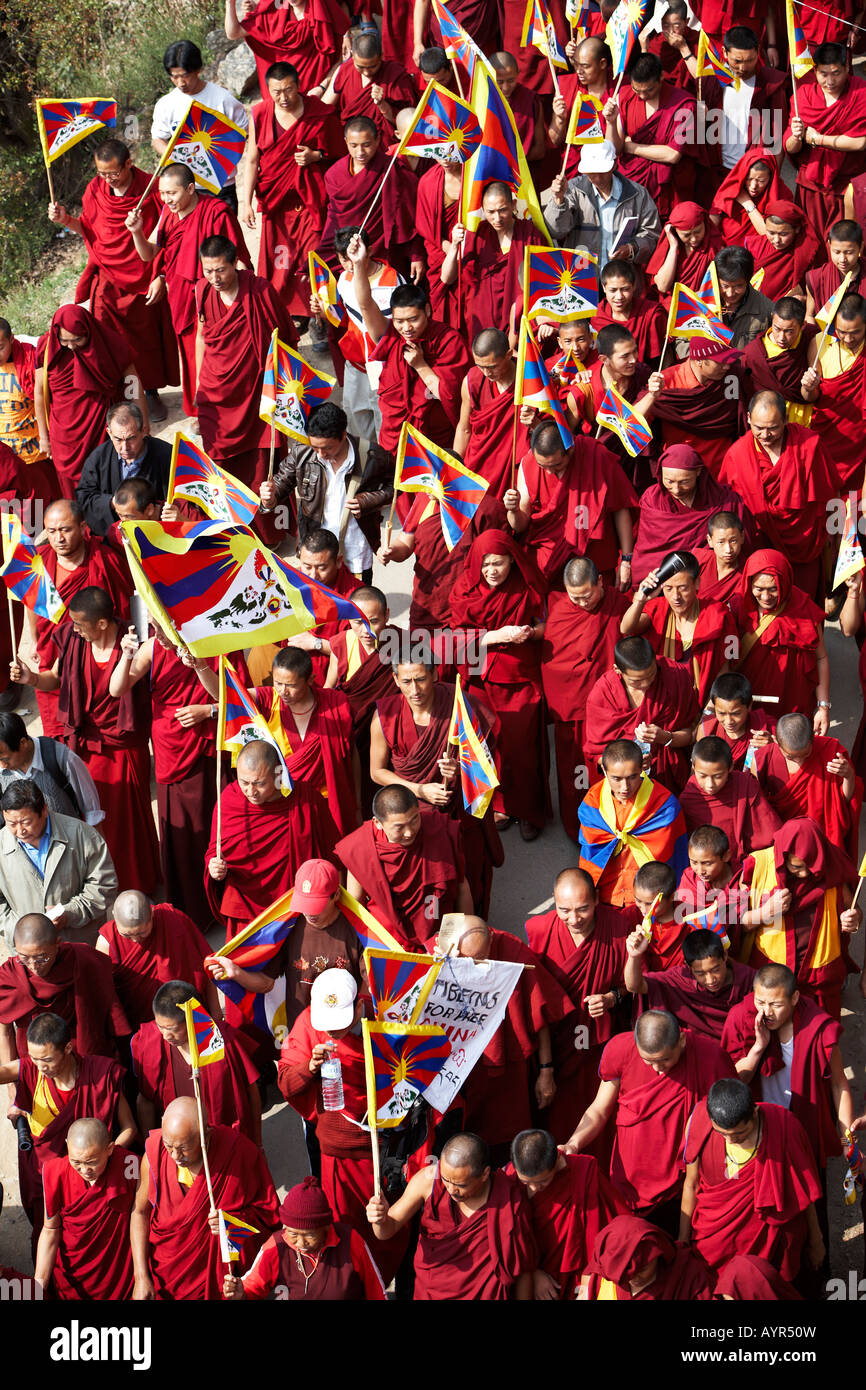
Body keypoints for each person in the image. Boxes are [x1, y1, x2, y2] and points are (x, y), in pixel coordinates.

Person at [13, 586, 160, 897]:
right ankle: (98, 883)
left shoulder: (131, 643)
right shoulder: (71, 640)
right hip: (86, 748)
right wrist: (32, 679)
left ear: (102, 624)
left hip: (122, 750)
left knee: (127, 823)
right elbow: (56, 678)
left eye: (80, 624)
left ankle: (136, 886)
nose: (74, 629)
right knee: (89, 820)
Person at [278, 967, 409, 1283]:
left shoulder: (385, 1017)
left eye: (341, 1024)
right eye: (329, 1026)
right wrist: (309, 1066)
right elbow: (286, 1082)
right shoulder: (309, 1024)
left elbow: (413, 1071)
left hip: (386, 1147)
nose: (334, 1033)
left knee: (392, 1223)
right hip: (337, 1151)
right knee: (347, 1228)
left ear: (359, 1006)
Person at [563, 1010, 735, 1232]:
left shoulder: (709, 1057)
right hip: (630, 1179)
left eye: (664, 1059)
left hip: (681, 1183)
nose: (657, 1068)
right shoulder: (621, 1049)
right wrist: (574, 1142)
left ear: (681, 1040)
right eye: (648, 1061)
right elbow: (599, 1110)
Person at [47, 138, 177, 422]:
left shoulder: (151, 189)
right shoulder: (96, 190)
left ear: (128, 164)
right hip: (106, 274)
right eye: (101, 173)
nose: (107, 179)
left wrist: (160, 275)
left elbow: (165, 237)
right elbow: (89, 229)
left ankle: (150, 392)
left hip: (142, 275)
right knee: (106, 335)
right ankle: (120, 394)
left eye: (113, 173)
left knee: (145, 337)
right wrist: (65, 220)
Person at [109, 623, 224, 926]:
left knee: (210, 822)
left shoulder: (211, 641)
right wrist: (126, 656)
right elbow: (116, 688)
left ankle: (218, 901)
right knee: (178, 830)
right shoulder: (151, 649)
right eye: (155, 629)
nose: (157, 636)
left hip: (203, 744)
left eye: (163, 630)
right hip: (169, 746)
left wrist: (205, 708)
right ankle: (189, 908)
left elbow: (225, 695)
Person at [370, 658, 503, 915]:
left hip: (457, 805)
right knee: (428, 883)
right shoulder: (385, 716)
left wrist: (460, 768)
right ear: (396, 680)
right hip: (412, 808)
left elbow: (483, 758)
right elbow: (377, 772)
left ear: (434, 675)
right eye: (406, 682)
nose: (414, 690)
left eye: (420, 679)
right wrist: (418, 790)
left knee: (466, 872)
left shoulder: (457, 704)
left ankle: (471, 930)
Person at [438, 914, 569, 1161]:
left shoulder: (511, 951)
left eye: (480, 959)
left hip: (508, 1070)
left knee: (508, 1145)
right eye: (467, 960)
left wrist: (546, 1070)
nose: (474, 966)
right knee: (460, 1146)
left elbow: (538, 1012)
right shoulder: (440, 950)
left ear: (490, 941)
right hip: (461, 1069)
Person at [125, 163, 249, 415]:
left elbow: (237, 260)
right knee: (192, 357)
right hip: (182, 296)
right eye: (162, 193)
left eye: (172, 193)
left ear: (190, 188)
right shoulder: (168, 215)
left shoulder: (216, 212)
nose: (166, 199)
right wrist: (136, 232)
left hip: (214, 296)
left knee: (220, 354)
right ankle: (200, 410)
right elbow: (149, 254)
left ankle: (228, 408)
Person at [0, 1012, 135, 1241]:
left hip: (93, 1173)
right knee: (48, 1233)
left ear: (68, 1048)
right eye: (34, 1058)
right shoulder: (31, 1070)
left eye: (48, 1060)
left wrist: (100, 1158)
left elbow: (130, 1128)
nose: (40, 1067)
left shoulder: (101, 1075)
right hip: (45, 1172)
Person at [131, 1095, 279, 1300]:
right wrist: (140, 1277)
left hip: (222, 1282)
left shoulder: (239, 1152)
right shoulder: (155, 1154)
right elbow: (139, 1212)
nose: (175, 1156)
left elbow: (269, 1217)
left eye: (183, 1148)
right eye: (169, 1146)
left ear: (206, 1136)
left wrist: (233, 1223)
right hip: (168, 1275)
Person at [450, 529, 547, 838]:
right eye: (486, 564)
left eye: (499, 563)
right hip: (479, 676)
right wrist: (499, 636)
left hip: (519, 677)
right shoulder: (465, 590)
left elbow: (547, 623)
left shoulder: (526, 587)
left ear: (513, 562)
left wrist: (531, 633)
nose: (491, 571)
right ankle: (501, 804)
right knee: (488, 745)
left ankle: (529, 809)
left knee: (522, 747)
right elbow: (454, 638)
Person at [680, 1078, 824, 1283]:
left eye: (739, 1134)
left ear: (755, 1113)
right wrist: (683, 1238)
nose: (730, 1140)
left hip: (769, 1241)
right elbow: (691, 1183)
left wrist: (816, 1239)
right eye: (721, 1133)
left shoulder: (783, 1128)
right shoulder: (698, 1121)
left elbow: (803, 1192)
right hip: (715, 1238)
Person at [365, 1131, 538, 1300]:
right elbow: (386, 1231)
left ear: (484, 1174)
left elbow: (523, 1269)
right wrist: (379, 1219)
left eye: (461, 1185)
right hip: (431, 1292)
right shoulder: (429, 1180)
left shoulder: (508, 1198)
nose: (451, 1189)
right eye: (446, 1179)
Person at [524, 868, 629, 1142]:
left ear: (596, 899)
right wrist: (545, 1068)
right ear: (554, 901)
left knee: (600, 1118)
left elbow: (633, 984)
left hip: (598, 1046)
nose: (574, 919)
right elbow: (537, 1001)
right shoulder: (540, 930)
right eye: (564, 910)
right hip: (555, 1046)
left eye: (583, 909)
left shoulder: (617, 927)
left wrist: (611, 998)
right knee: (556, 1122)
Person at [722, 964, 853, 1180]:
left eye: (776, 1004)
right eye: (760, 1002)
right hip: (756, 1126)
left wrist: (847, 1140)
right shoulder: (740, 1018)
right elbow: (733, 1083)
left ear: (794, 998)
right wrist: (758, 1048)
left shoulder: (817, 1027)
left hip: (802, 1126)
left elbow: (839, 1084)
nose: (766, 1012)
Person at [205, 858, 363, 1037]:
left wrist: (354, 1021)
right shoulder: (288, 927)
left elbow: (373, 988)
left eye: (315, 905)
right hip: (303, 1033)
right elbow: (266, 983)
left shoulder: (358, 931)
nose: (309, 913)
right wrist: (235, 972)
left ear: (335, 895)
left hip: (347, 1030)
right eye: (305, 904)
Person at [348, 234, 469, 455]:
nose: (406, 328)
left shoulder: (449, 340)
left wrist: (420, 365)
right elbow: (365, 305)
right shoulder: (392, 336)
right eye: (399, 321)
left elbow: (449, 395)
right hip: (396, 438)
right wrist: (357, 264)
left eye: (413, 319)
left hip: (435, 439)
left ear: (428, 312)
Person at [205, 741, 338, 941]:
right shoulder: (230, 801)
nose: (250, 791)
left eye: (259, 783)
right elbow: (214, 852)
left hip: (295, 907)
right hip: (245, 906)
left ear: (278, 775)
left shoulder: (306, 801)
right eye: (244, 782)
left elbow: (331, 856)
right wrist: (214, 868)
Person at [195, 234, 298, 489]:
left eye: (220, 270)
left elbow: (286, 340)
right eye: (208, 270)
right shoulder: (202, 290)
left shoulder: (259, 290)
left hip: (255, 391)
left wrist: (283, 390)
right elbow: (201, 337)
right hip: (216, 389)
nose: (214, 278)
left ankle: (266, 523)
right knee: (218, 458)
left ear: (235, 264)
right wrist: (200, 384)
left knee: (261, 461)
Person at [24, 497, 133, 740]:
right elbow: (32, 605)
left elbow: (124, 608)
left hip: (96, 659)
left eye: (65, 530)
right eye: (51, 531)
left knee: (97, 730)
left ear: (83, 528)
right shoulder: (39, 562)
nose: (59, 539)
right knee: (58, 731)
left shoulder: (105, 560)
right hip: (53, 654)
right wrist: (34, 639)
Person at [242, 62, 339, 318]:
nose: (283, 98)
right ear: (268, 90)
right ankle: (289, 316)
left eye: (288, 90)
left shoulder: (319, 112)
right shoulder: (260, 114)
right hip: (277, 205)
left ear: (298, 86)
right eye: (276, 91)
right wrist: (245, 201)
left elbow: (339, 153)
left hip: (311, 203)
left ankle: (320, 317)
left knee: (313, 259)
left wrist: (316, 156)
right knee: (279, 264)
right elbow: (252, 159)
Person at [541, 557, 630, 838]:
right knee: (574, 771)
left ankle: (614, 826)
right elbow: (553, 662)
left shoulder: (619, 606)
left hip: (609, 708)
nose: (581, 603)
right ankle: (578, 826)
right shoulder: (561, 610)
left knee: (611, 768)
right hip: (572, 707)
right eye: (574, 597)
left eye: (587, 595)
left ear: (601, 582)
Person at [738, 818, 861, 1021]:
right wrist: (766, 913)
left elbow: (854, 909)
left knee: (820, 1040)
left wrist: (853, 919)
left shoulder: (831, 866)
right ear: (783, 856)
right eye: (796, 867)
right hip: (772, 974)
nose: (804, 874)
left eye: (811, 866)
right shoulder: (757, 866)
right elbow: (735, 925)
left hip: (819, 974)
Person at [718, 390, 835, 602]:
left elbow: (828, 493)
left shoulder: (809, 445)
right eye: (758, 428)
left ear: (786, 420)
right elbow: (728, 506)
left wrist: (831, 537)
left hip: (804, 542)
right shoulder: (737, 454)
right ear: (748, 419)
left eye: (773, 428)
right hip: (760, 545)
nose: (765, 435)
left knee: (803, 605)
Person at [258, 400, 393, 580]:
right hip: (314, 555)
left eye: (327, 448)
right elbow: (280, 485)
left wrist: (371, 500)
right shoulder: (301, 453)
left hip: (355, 552)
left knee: (356, 604)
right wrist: (269, 498)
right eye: (315, 447)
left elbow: (398, 488)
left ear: (343, 435)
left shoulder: (372, 456)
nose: (321, 454)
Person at [504, 419, 637, 589]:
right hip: (549, 560)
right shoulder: (528, 463)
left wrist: (626, 559)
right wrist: (513, 510)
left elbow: (620, 506)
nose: (550, 471)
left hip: (595, 558)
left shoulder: (595, 455)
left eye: (557, 465)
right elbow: (520, 525)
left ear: (571, 449)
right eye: (543, 466)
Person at [336, 785, 471, 948]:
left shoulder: (440, 830)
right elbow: (355, 905)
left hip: (440, 937)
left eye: (415, 819)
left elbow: (461, 887)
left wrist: (465, 934)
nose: (409, 832)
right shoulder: (360, 848)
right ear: (378, 823)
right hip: (387, 942)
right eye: (399, 827)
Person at [33, 306, 144, 500]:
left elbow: (131, 380)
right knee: (74, 495)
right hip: (64, 436)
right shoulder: (47, 347)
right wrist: (44, 436)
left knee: (109, 480)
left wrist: (140, 416)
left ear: (88, 331)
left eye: (78, 339)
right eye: (65, 340)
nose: (71, 346)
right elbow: (40, 394)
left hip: (100, 428)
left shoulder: (106, 341)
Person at [131, 979, 261, 1142]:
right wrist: (151, 1146)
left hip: (222, 1140)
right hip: (177, 1145)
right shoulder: (149, 1042)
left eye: (172, 1029)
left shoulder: (222, 1041)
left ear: (193, 1019)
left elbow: (251, 1091)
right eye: (160, 1027)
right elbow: (145, 1100)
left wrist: (257, 1141)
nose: (165, 1036)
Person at [507, 1128, 627, 1300]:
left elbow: (610, 1229)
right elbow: (507, 1240)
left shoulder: (584, 1172)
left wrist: (587, 1284)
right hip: (527, 1274)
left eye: (542, 1182)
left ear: (557, 1160)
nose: (533, 1188)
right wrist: (533, 1273)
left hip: (577, 1277)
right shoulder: (510, 1177)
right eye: (526, 1182)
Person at [223, 1176, 385, 1301]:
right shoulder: (276, 1245)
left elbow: (377, 1291)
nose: (301, 1243)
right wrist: (241, 1294)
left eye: (309, 1235)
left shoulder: (350, 1241)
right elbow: (253, 1286)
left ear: (326, 1227)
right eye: (293, 1234)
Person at [0, 914, 129, 1067]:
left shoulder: (83, 960)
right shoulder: (9, 977)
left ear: (57, 944)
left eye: (42, 957)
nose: (33, 965)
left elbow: (110, 1011)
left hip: (82, 1059)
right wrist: (12, 1080)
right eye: (24, 957)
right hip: (36, 1064)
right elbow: (5, 1031)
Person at [0, 781, 117, 947]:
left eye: (26, 822)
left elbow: (104, 885)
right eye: (11, 824)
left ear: (44, 810)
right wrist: (18, 929)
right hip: (28, 950)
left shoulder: (82, 835)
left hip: (79, 943)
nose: (19, 831)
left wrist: (71, 913)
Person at [578, 740, 689, 908]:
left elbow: (676, 855)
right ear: (604, 771)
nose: (625, 787)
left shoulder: (664, 805)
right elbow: (590, 852)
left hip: (647, 900)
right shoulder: (593, 803)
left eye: (632, 777)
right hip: (606, 895)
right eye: (616, 778)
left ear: (642, 769)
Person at [36, 1118, 137, 1301]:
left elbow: (142, 1216)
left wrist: (142, 1275)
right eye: (76, 1162)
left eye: (91, 1162)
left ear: (110, 1149)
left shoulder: (129, 1167)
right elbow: (50, 1229)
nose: (84, 1170)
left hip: (117, 1272)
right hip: (72, 1276)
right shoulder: (55, 1171)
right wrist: (39, 1282)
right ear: (67, 1146)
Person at [620, 551, 737, 707]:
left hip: (702, 705)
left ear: (697, 583)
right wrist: (641, 599)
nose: (675, 597)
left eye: (683, 588)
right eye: (668, 588)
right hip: (663, 704)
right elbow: (626, 627)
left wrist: (710, 711)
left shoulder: (717, 614)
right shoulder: (658, 608)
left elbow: (724, 668)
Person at [629, 444, 752, 588]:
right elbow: (647, 551)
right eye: (669, 481)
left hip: (709, 581)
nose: (676, 489)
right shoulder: (652, 499)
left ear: (698, 471)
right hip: (662, 583)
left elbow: (744, 545)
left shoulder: (724, 500)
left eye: (684, 482)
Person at [583, 641, 699, 792]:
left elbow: (692, 734)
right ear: (618, 670)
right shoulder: (604, 693)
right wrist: (631, 764)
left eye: (651, 675)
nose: (646, 684)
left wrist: (665, 737)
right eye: (636, 681)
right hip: (625, 784)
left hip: (670, 773)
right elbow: (597, 752)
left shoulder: (675, 676)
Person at [97, 890, 218, 1031]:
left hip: (188, 1017)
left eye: (141, 933)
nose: (136, 939)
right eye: (127, 935)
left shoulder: (174, 919)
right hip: (143, 1028)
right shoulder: (107, 943)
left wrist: (216, 1013)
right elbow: (106, 995)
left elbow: (206, 964)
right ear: (114, 919)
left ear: (152, 914)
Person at [731, 550, 829, 723]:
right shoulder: (738, 607)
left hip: (792, 705)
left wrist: (823, 706)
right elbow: (726, 657)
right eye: (759, 589)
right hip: (747, 705)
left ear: (785, 582)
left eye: (773, 589)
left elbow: (821, 658)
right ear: (749, 583)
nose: (766, 597)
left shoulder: (804, 609)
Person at [151, 38, 249, 209]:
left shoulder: (223, 100)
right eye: (175, 77)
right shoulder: (166, 104)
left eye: (185, 76)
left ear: (198, 70)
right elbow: (158, 139)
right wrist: (177, 160)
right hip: (186, 189)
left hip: (221, 187)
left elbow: (244, 135)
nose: (181, 83)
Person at [783, 42, 866, 233]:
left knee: (844, 244)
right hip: (810, 185)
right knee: (810, 238)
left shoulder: (860, 92)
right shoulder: (803, 95)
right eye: (823, 74)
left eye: (836, 73)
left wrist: (816, 139)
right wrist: (796, 137)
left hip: (847, 186)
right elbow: (791, 147)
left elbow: (860, 142)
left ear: (847, 67)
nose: (830, 81)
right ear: (815, 71)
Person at [321, 118, 421, 276]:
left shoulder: (392, 169)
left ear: (377, 140)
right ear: (346, 141)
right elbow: (334, 219)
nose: (360, 152)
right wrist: (323, 253)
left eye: (366, 145)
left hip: (386, 253)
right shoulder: (334, 175)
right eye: (353, 146)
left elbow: (411, 216)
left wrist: (416, 254)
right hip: (349, 253)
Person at [754, 712, 860, 859]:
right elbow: (759, 809)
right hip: (784, 840)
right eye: (790, 756)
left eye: (806, 754)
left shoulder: (830, 751)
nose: (798, 760)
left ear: (813, 740)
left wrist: (848, 776)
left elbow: (843, 802)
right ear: (777, 742)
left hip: (822, 841)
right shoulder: (764, 757)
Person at [626, 925, 756, 1045]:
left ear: (725, 956)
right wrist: (634, 956)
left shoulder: (747, 979)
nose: (710, 980)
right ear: (688, 967)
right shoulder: (681, 979)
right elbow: (635, 986)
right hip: (700, 1053)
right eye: (700, 973)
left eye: (715, 969)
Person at [545, 140, 662, 268]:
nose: (597, 178)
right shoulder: (573, 190)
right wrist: (558, 200)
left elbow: (652, 234)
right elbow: (555, 231)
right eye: (592, 173)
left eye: (602, 172)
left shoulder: (637, 194)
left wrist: (632, 248)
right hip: (582, 274)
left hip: (620, 280)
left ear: (615, 164)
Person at [692, 25, 788, 180]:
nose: (743, 67)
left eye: (750, 60)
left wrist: (772, 176)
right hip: (717, 169)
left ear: (758, 51)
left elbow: (777, 137)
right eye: (737, 61)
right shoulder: (712, 80)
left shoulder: (771, 84)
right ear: (724, 52)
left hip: (753, 173)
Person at [642, 338, 748, 477]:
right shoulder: (667, 381)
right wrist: (651, 396)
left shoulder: (731, 376)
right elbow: (633, 424)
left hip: (723, 469)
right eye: (721, 361)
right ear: (699, 361)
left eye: (728, 360)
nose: (727, 366)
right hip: (682, 472)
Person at [609, 51, 695, 221]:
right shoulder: (624, 96)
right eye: (637, 90)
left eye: (648, 90)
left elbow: (673, 154)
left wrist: (631, 147)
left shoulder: (685, 104)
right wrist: (611, 122)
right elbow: (615, 149)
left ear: (661, 77)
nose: (642, 96)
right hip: (631, 184)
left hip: (669, 189)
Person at [444, 183, 535, 341]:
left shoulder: (530, 233)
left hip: (519, 320)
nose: (497, 218)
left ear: (513, 205)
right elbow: (446, 278)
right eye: (491, 212)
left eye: (503, 210)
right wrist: (454, 246)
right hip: (482, 320)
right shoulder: (478, 234)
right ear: (482, 209)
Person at [678, 736, 781, 870]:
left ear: (731, 766)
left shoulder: (745, 785)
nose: (710, 785)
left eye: (718, 776)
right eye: (702, 776)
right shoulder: (689, 798)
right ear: (692, 765)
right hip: (706, 870)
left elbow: (769, 832)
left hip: (745, 867)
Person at [75, 402, 172, 537]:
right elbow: (84, 497)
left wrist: (160, 511)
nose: (125, 447)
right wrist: (112, 502)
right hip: (115, 538)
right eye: (118, 439)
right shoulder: (99, 458)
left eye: (131, 438)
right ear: (109, 433)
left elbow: (181, 500)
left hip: (157, 534)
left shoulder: (167, 455)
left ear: (144, 430)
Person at [800, 291, 866, 490]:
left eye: (855, 332)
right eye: (841, 331)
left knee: (856, 503)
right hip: (830, 435)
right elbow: (810, 397)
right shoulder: (821, 343)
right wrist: (808, 386)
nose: (847, 338)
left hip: (861, 440)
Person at [226, 0, 350, 100]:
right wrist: (230, 3)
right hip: (284, 95)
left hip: (317, 93)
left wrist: (323, 87)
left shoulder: (321, 10)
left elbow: (338, 58)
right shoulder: (275, 13)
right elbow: (233, 33)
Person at [0, 711, 103, 825]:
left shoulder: (61, 758)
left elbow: (92, 810)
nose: (2, 766)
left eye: (5, 759)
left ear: (23, 743)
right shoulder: (2, 773)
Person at [583, 1214, 714, 1301]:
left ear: (658, 1255)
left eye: (642, 1269)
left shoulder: (685, 1274)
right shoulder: (603, 1274)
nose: (633, 1278)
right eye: (625, 1272)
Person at [319, 29, 417, 141]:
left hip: (384, 145)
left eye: (372, 66)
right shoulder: (345, 70)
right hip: (352, 142)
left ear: (381, 56)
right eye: (360, 67)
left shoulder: (396, 76)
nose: (366, 72)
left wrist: (382, 104)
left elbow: (407, 123)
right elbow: (324, 107)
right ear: (353, 56)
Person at [741, 296, 818, 415]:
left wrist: (809, 387)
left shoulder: (812, 339)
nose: (781, 338)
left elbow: (813, 395)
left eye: (789, 331)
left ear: (803, 326)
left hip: (805, 421)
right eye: (777, 329)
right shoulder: (753, 354)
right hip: (771, 422)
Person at [416, 155, 464, 326]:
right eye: (439, 154)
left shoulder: (474, 176)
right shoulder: (428, 182)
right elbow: (425, 226)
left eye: (451, 155)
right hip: (441, 251)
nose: (445, 161)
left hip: (473, 252)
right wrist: (451, 248)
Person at [591, 262, 667, 367]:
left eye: (625, 289)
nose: (619, 297)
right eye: (613, 290)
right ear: (604, 288)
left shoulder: (651, 313)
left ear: (634, 286)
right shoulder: (597, 316)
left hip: (646, 376)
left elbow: (665, 354)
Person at [647, 201, 724, 305]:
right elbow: (662, 286)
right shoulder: (668, 246)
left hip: (705, 305)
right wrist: (674, 247)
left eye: (698, 232)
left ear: (705, 223)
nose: (693, 239)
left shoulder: (714, 245)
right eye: (686, 235)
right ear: (675, 230)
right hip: (674, 307)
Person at [708, 147, 787, 244]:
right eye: (749, 179)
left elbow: (768, 234)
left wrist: (747, 203)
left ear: (770, 178)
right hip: (728, 251)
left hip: (758, 252)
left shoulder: (781, 194)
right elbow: (711, 226)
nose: (753, 186)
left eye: (761, 181)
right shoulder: (731, 188)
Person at [745, 201, 822, 300]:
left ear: (797, 229)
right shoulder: (756, 246)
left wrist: (804, 299)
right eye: (771, 233)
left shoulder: (809, 253)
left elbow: (818, 289)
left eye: (783, 234)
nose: (776, 240)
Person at [698, 671, 774, 770]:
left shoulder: (766, 727)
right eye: (721, 713)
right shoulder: (706, 729)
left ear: (749, 705)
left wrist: (772, 748)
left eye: (736, 713)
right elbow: (697, 772)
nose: (729, 721)